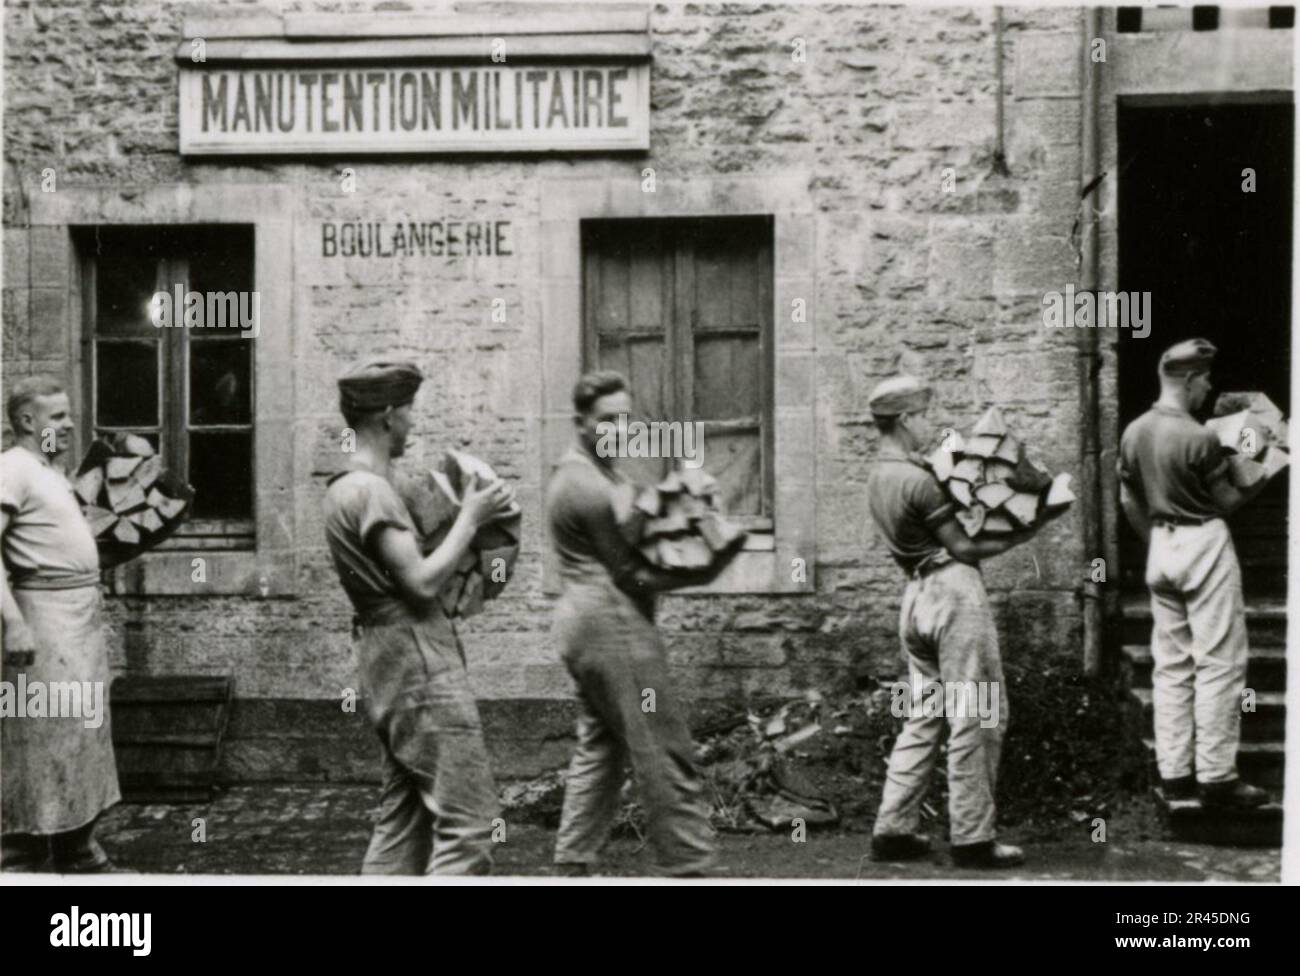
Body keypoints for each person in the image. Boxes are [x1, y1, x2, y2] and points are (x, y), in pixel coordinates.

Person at [322, 359, 516, 874]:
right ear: (387, 416)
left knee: (404, 819)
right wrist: (472, 520)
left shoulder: (345, 486)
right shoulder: (370, 491)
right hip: (417, 662)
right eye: (408, 411)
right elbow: (422, 582)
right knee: (469, 823)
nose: (413, 423)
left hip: (387, 659)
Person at [866, 376, 1054, 869]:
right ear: (906, 419)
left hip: (915, 597)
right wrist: (1030, 528)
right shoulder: (918, 479)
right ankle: (973, 839)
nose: (929, 423)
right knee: (979, 713)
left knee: (924, 714)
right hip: (953, 595)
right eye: (924, 415)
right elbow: (966, 548)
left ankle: (893, 829)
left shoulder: (879, 476)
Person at [546, 370, 724, 877]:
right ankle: (690, 867)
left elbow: (638, 528)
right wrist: (707, 557)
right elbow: (633, 572)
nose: (618, 431)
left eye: (625, 420)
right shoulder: (587, 484)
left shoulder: (598, 473)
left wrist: (677, 504)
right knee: (664, 749)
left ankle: (574, 861)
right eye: (606, 421)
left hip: (587, 622)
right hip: (612, 622)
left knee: (602, 746)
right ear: (579, 422)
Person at [1118, 338, 1269, 809]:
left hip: (1160, 544)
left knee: (1173, 665)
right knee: (1220, 663)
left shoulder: (1135, 430)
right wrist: (1266, 466)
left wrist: (1159, 543)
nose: (1207, 388)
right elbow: (1227, 501)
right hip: (1204, 540)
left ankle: (1176, 773)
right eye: (1204, 379)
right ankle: (1218, 777)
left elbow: (1128, 500)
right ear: (1188, 379)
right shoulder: (1200, 436)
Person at [1, 376, 120, 872]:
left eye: (69, 415)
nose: (70, 425)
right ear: (28, 422)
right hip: (41, 623)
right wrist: (13, 624)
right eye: (58, 417)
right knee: (39, 740)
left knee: (80, 735)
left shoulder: (50, 472)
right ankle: (17, 861)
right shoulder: (12, 468)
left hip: (79, 623)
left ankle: (78, 852)